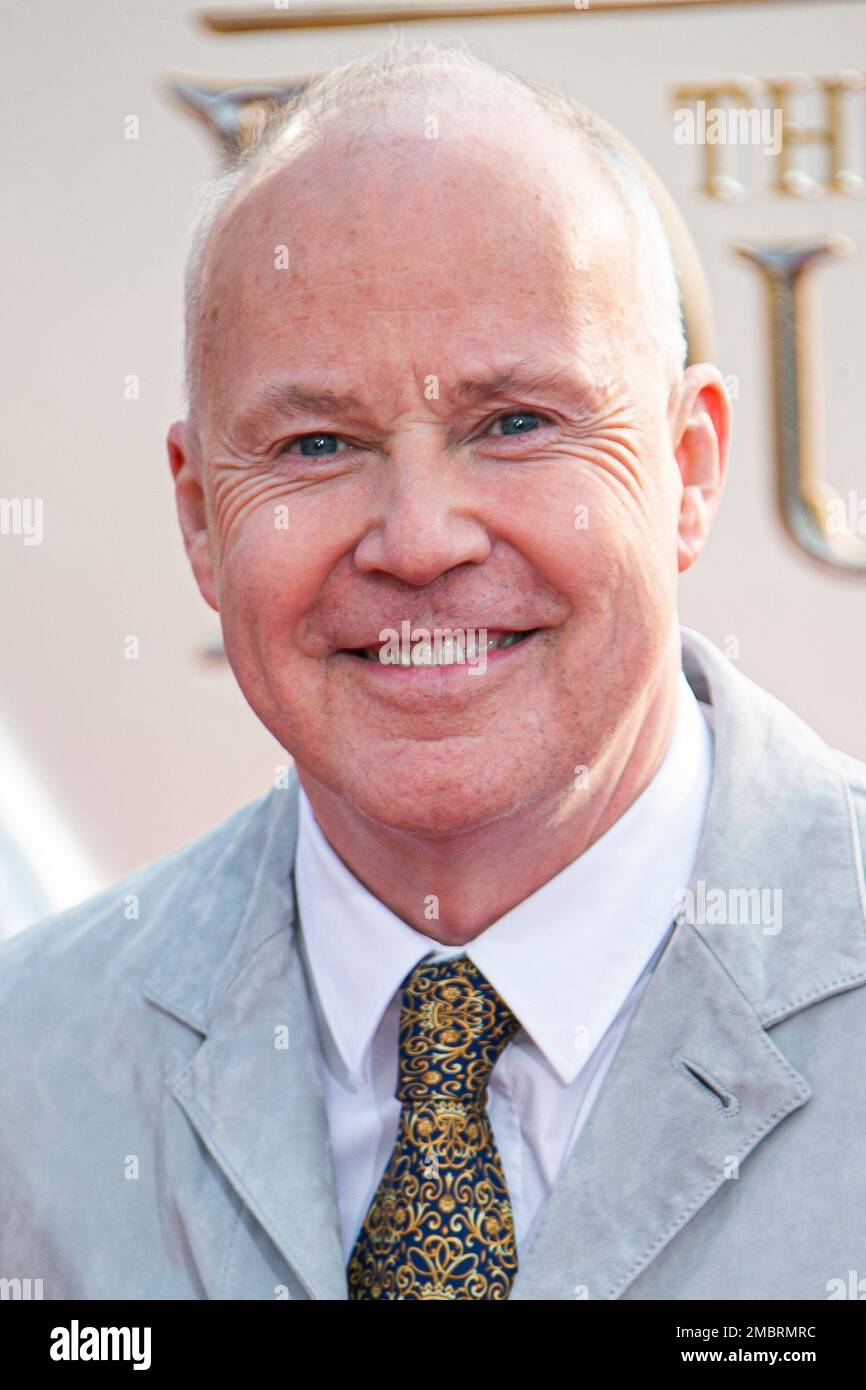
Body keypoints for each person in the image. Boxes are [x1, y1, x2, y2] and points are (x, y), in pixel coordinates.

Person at [2, 39, 865, 1302]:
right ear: (198, 517)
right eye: (313, 443)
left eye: (514, 423)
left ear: (686, 467)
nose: (415, 540)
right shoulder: (29, 1072)